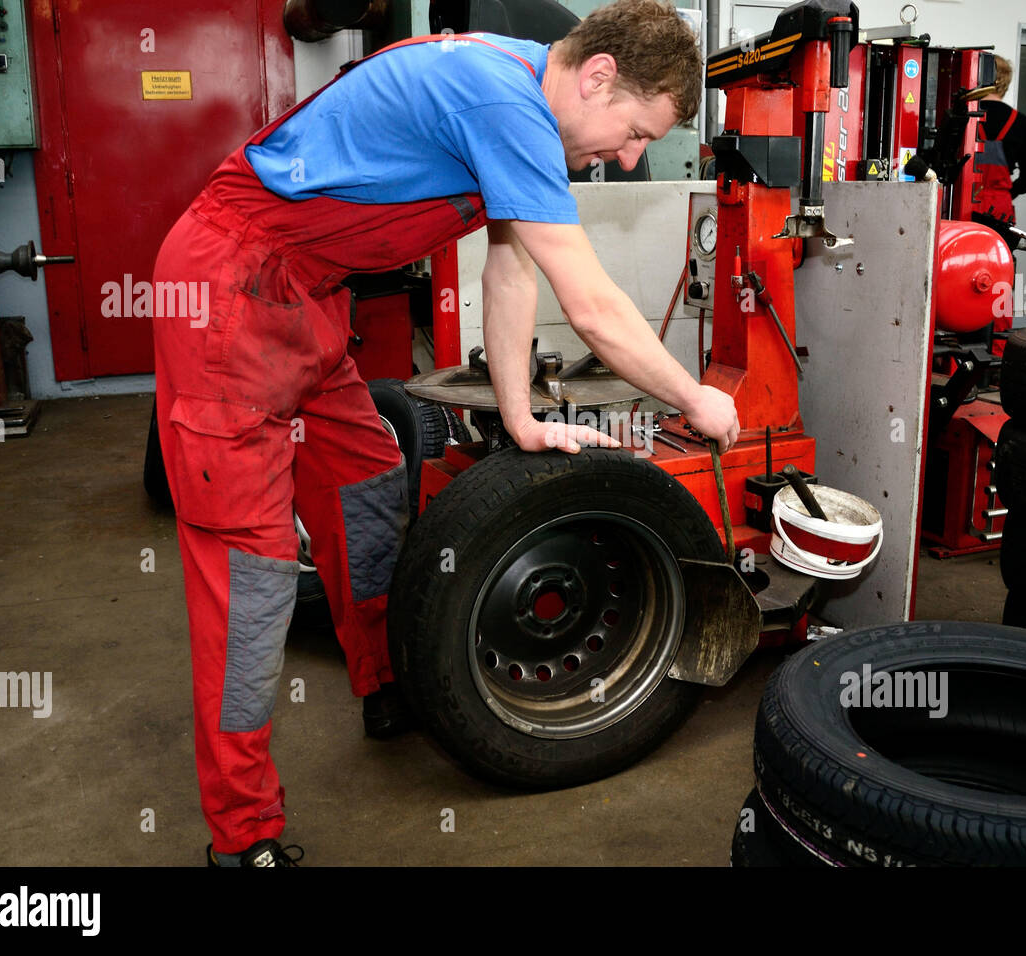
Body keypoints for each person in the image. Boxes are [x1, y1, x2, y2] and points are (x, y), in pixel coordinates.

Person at [151, 0, 739, 867]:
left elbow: (513, 270)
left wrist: (518, 418)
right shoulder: (500, 102)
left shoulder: (527, 88)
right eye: (634, 131)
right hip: (228, 287)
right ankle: (243, 834)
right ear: (599, 76)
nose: (629, 157)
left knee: (368, 482)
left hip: (306, 295)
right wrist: (696, 396)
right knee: (253, 574)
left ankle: (388, 682)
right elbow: (594, 304)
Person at [971, 54, 1026, 251]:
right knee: (997, 263)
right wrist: (1007, 193)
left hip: (963, 204)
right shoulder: (1022, 123)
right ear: (1005, 82)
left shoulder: (963, 115)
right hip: (999, 211)